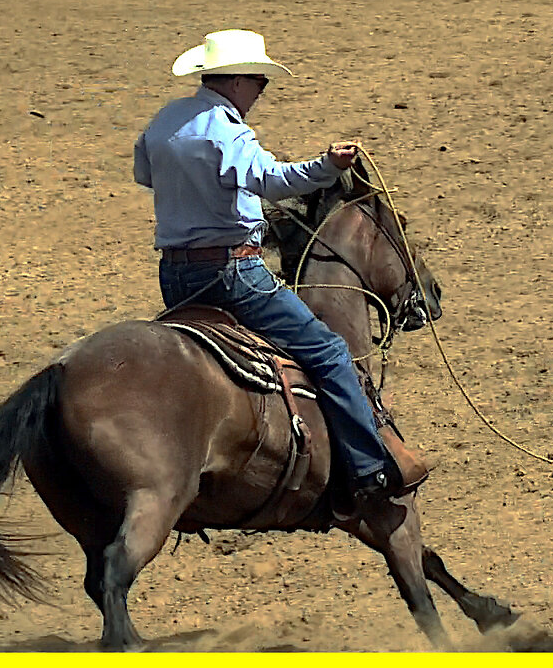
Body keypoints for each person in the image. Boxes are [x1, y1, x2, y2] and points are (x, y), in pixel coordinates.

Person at [133, 29, 427, 508]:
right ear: (235, 81)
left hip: (177, 277)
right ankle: (371, 468)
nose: (261, 93)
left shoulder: (165, 121)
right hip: (233, 275)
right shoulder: (226, 128)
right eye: (259, 83)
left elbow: (145, 174)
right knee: (330, 353)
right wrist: (327, 165)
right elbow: (273, 181)